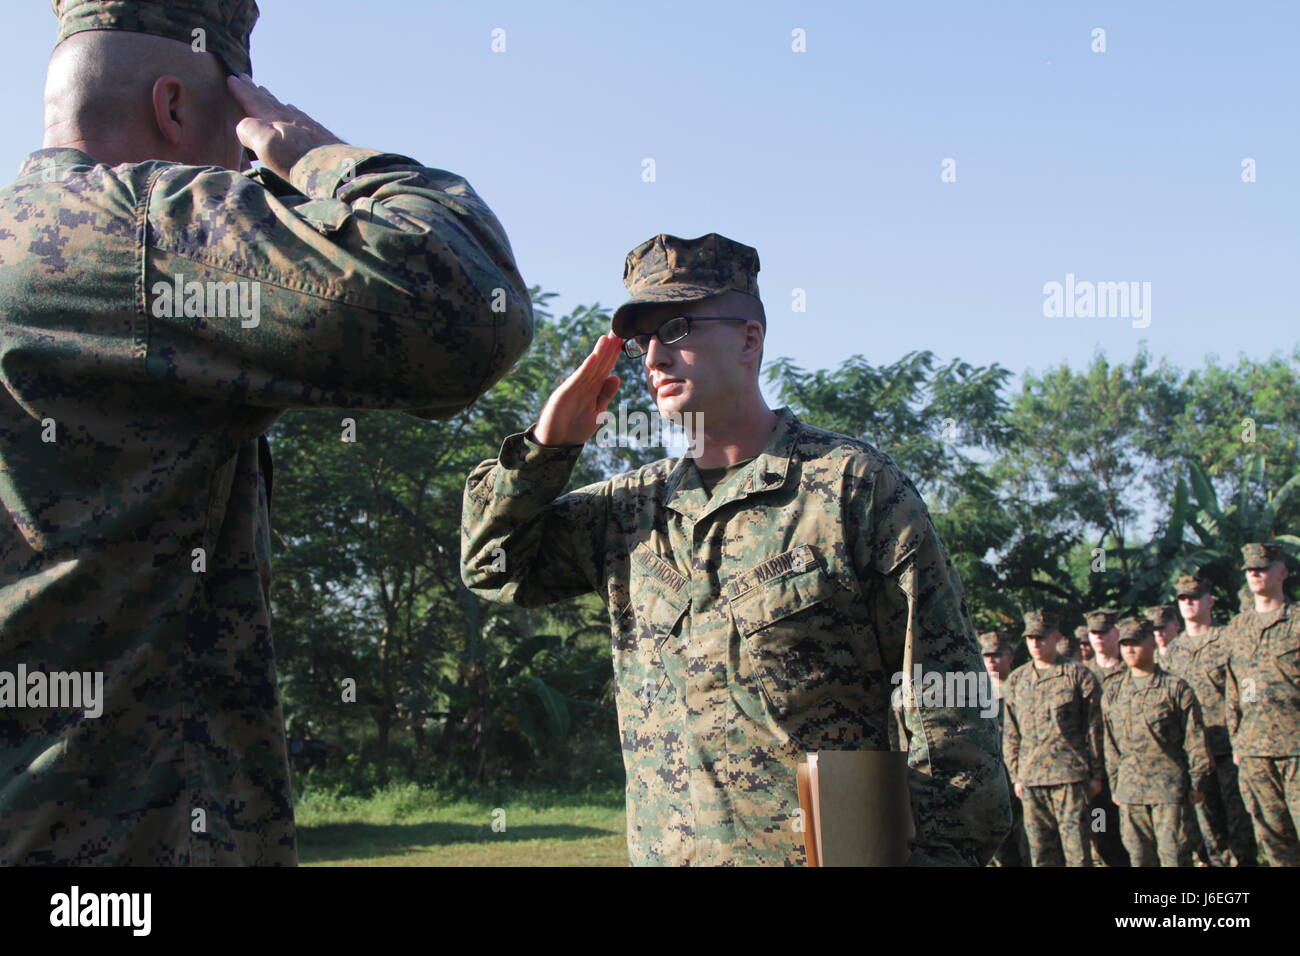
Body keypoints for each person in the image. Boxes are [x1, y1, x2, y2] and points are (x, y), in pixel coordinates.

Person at [0, 1, 533, 865]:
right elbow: (468, 308)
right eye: (233, 134)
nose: (241, 165)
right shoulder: (133, 228)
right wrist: (308, 150)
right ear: (174, 107)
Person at [460, 232, 1009, 865]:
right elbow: (493, 568)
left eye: (680, 329)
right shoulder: (629, 511)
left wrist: (943, 855)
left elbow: (943, 689)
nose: (655, 358)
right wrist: (543, 451)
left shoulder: (847, 486)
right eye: (643, 342)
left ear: (750, 340)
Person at [1103, 618, 1213, 867]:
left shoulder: (1175, 688)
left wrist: (1198, 782)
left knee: (1174, 857)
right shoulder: (1113, 691)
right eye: (1125, 644)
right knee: (1139, 858)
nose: (1129, 650)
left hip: (1169, 790)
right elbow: (1109, 744)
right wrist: (1115, 784)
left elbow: (1195, 739)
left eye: (1136, 643)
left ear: (1152, 643)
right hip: (1131, 791)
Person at [1002, 610, 1103, 866]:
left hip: (1071, 776)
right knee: (1041, 856)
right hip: (1031, 779)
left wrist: (1095, 773)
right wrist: (1016, 775)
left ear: (1056, 637)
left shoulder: (1078, 675)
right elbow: (1012, 733)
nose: (1035, 643)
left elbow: (1095, 728)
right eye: (1030, 638)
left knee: (1078, 854)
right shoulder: (1017, 680)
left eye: (1041, 637)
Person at [1225, 542, 1300, 867]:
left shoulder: (1297, 621)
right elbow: (1233, 688)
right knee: (1273, 841)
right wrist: (1236, 740)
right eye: (1250, 570)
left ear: (1282, 573)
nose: (1255, 573)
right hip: (1254, 750)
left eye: (1263, 568)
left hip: (1296, 746)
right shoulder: (1238, 627)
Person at [1175, 574, 1257, 866]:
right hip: (1195, 754)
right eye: (1182, 598)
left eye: (1194, 597)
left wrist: (1248, 732)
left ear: (1210, 601)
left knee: (1240, 821)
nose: (1188, 603)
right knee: (1208, 827)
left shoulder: (1228, 640)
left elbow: (1248, 688)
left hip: (1229, 749)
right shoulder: (1172, 652)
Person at [1081, 608, 1130, 866]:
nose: (1098, 638)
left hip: (1128, 764)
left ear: (1116, 633)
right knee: (1101, 833)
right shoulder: (1080, 674)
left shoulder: (1131, 670)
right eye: (1093, 633)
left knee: (1134, 835)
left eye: (1104, 632)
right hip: (1095, 766)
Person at [982, 630, 1029, 866]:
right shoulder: (973, 695)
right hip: (991, 779)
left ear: (1009, 656)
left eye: (997, 655)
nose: (991, 660)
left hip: (1020, 775)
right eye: (986, 655)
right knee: (999, 843)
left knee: (1027, 837)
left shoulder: (1023, 686)